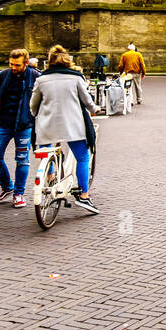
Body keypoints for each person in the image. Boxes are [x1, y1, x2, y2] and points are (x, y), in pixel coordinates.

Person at [30, 46, 100, 214]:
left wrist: (35, 114)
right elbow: (87, 101)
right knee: (83, 157)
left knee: (47, 153)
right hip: (72, 125)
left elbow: (33, 105)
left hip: (47, 125)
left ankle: (50, 176)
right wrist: (94, 108)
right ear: (68, 61)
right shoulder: (76, 78)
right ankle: (84, 195)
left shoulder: (41, 80)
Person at [0, 48, 41, 208]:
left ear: (26, 63)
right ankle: (6, 187)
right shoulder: (2, 75)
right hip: (2, 122)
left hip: (24, 124)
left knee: (22, 160)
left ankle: (19, 193)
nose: (13, 68)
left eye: (17, 65)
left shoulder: (36, 77)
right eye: (11, 64)